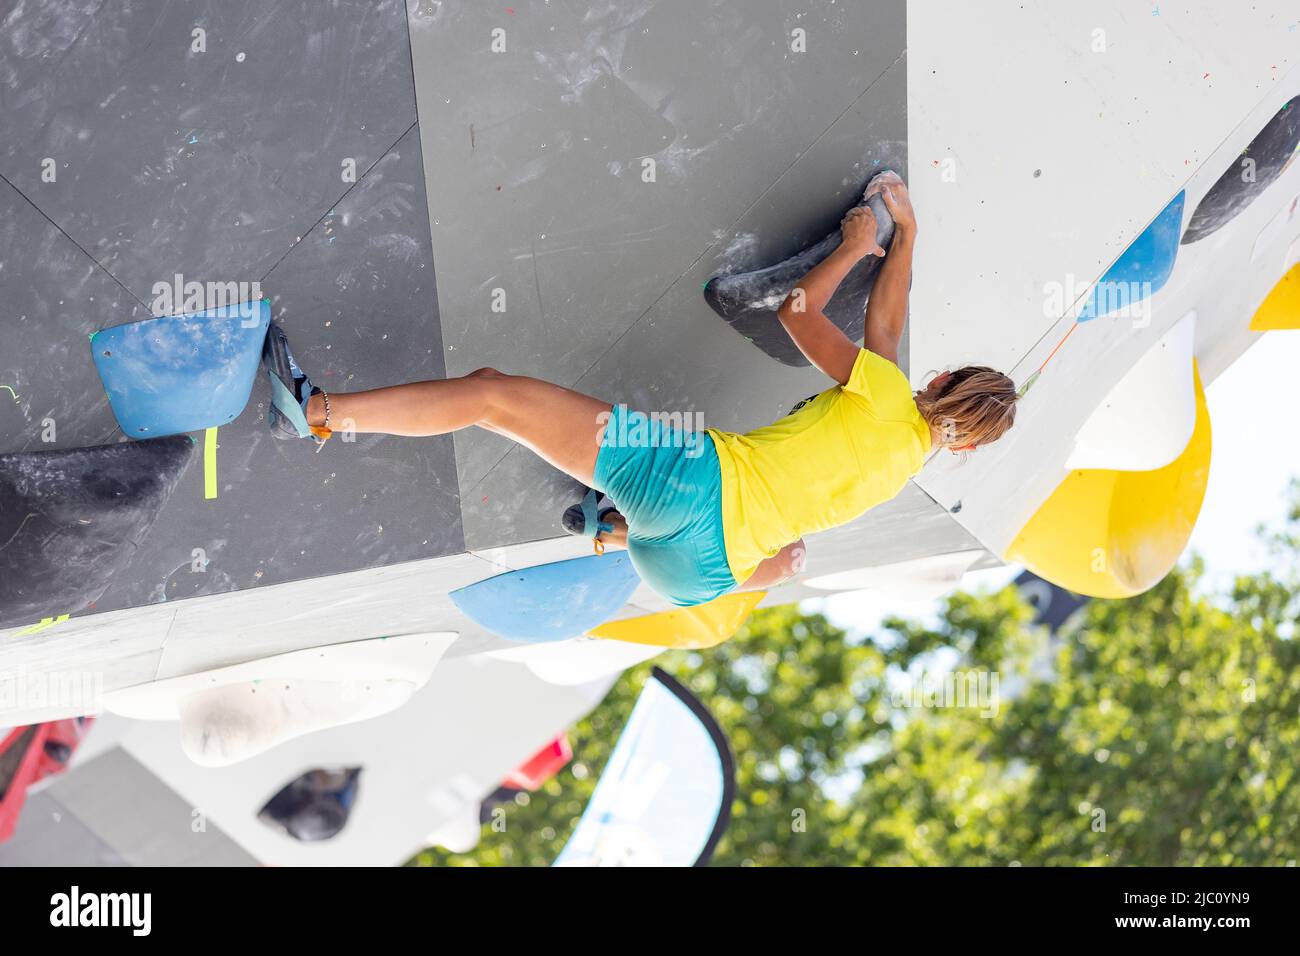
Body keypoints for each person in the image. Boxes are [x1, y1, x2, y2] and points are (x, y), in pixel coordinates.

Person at [260, 172, 1017, 607]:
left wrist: (859, 246)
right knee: (756, 539)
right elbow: (884, 331)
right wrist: (905, 242)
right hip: (692, 577)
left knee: (493, 394)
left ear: (941, 378)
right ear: (968, 445)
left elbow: (798, 312)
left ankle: (318, 413)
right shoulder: (903, 467)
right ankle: (605, 529)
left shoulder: (886, 393)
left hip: (691, 488)